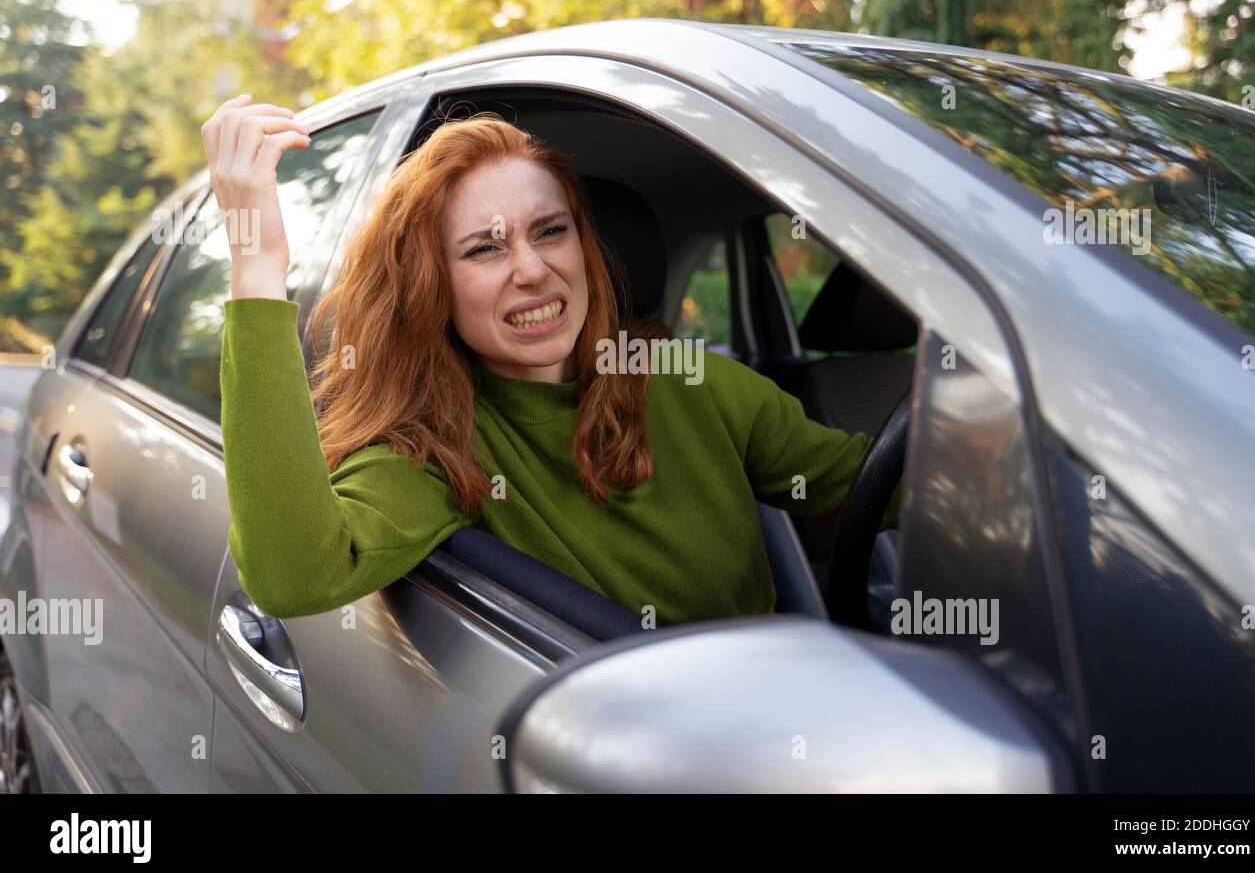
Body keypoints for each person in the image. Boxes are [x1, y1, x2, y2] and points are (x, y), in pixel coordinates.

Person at [204, 94, 897, 627]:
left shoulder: (689, 381)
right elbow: (294, 576)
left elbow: (877, 488)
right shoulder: (433, 448)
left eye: (550, 231)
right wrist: (256, 262)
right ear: (431, 286)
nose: (533, 270)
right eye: (485, 248)